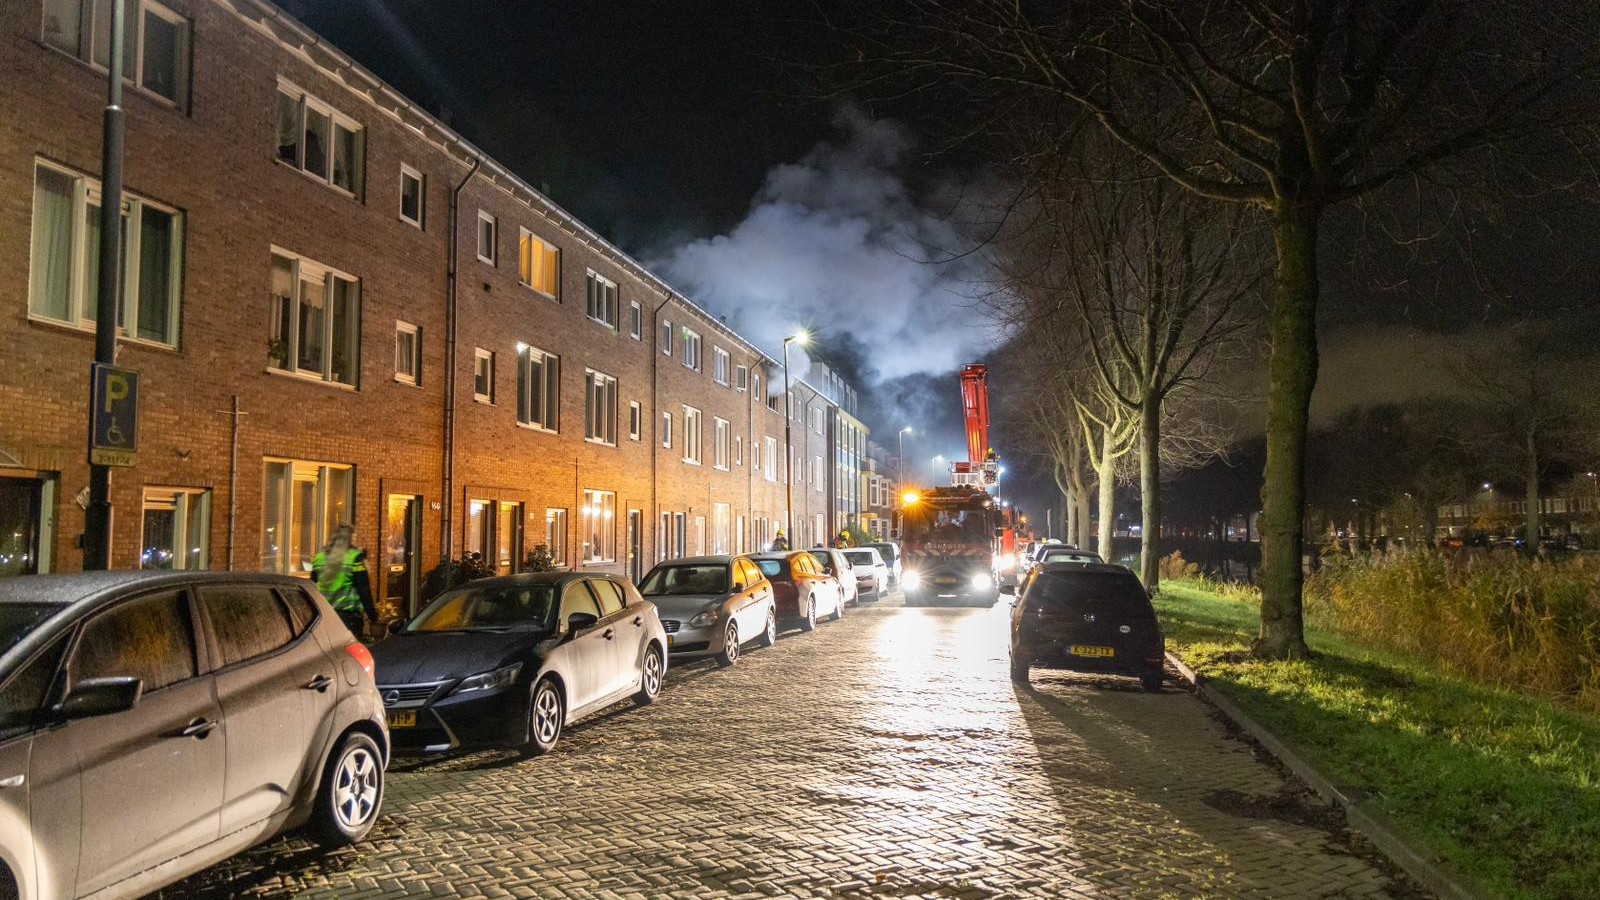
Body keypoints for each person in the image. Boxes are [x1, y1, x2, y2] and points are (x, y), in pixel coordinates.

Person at [312, 524, 378, 638]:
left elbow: (312, 587)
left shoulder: (319, 557)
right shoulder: (354, 558)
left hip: (323, 615)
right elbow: (363, 589)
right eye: (353, 538)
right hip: (348, 616)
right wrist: (372, 615)